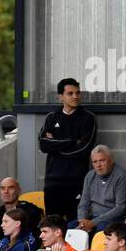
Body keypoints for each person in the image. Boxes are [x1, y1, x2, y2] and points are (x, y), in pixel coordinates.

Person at [38, 77, 98, 222]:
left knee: (75, 224)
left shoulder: (88, 118)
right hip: (53, 182)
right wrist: (72, 141)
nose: (75, 96)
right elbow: (44, 145)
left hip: (76, 181)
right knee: (52, 225)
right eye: (70, 93)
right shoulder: (51, 118)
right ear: (61, 97)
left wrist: (56, 145)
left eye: (77, 93)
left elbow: (83, 149)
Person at [0, 177, 42, 247]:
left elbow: (36, 240)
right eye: (3, 188)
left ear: (19, 191)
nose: (6, 191)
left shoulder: (31, 211)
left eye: (10, 188)